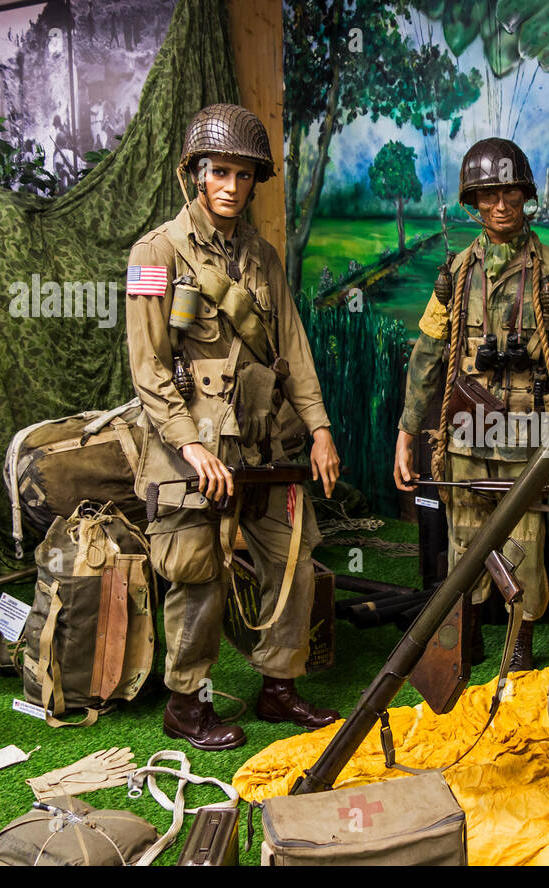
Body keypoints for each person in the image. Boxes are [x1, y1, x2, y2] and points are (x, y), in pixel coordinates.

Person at [126, 103, 341, 750]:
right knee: (196, 572)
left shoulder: (262, 255)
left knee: (294, 560)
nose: (231, 186)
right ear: (195, 172)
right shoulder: (153, 254)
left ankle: (279, 684)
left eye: (245, 176)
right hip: (189, 449)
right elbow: (148, 368)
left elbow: (292, 348)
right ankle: (186, 704)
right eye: (219, 171)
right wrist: (190, 445)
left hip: (262, 445)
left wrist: (320, 427)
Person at [393, 138, 549, 671]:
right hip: (466, 433)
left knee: (523, 540)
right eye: (487, 194)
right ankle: (469, 634)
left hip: (528, 436)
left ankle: (521, 643)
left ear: (525, 196)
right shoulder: (454, 275)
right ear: (472, 202)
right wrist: (407, 433)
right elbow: (429, 354)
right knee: (464, 539)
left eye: (509, 192)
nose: (499, 205)